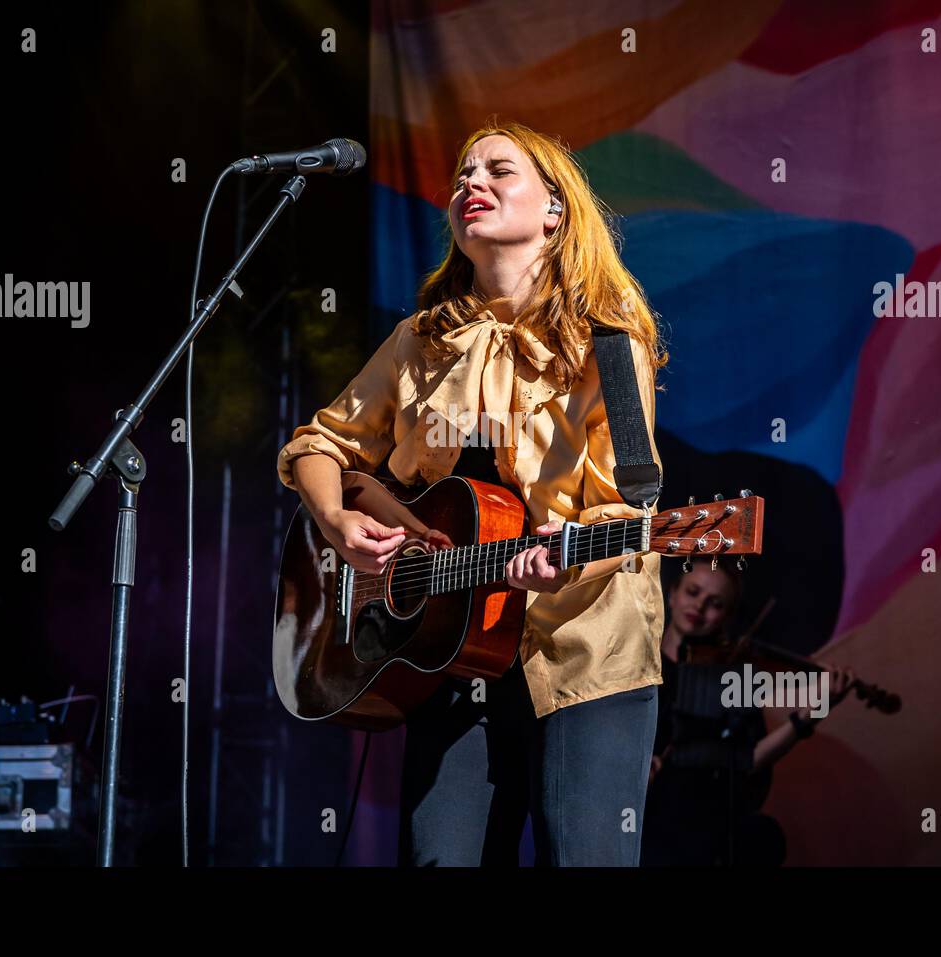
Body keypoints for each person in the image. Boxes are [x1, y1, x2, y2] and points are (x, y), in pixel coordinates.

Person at [277, 120, 667, 866]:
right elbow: (320, 445)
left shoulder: (612, 343)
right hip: (451, 653)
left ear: (555, 211)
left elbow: (627, 504)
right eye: (461, 175)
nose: (470, 184)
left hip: (585, 653)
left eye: (499, 170)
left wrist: (565, 559)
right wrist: (335, 520)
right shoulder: (418, 342)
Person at [642, 561, 855, 866]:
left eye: (715, 603)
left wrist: (816, 709)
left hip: (697, 822)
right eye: (693, 592)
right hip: (640, 818)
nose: (700, 606)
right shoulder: (635, 664)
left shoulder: (728, 680)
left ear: (727, 616)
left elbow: (749, 759)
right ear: (673, 593)